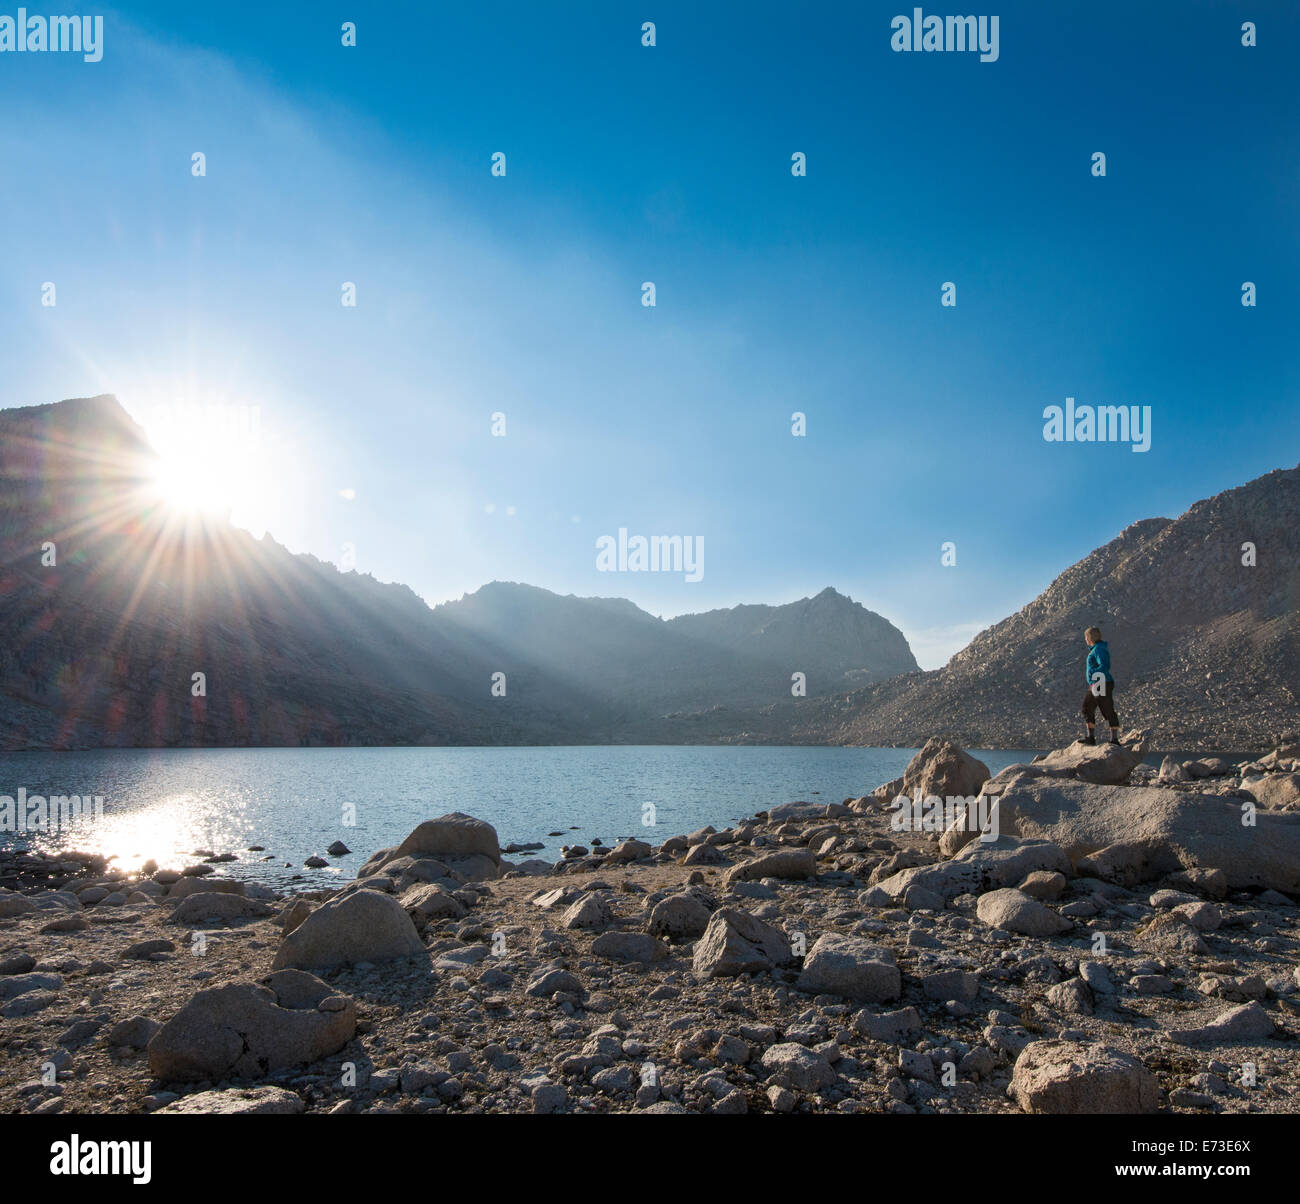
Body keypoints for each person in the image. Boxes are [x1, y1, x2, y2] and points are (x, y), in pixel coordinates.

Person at [1081, 626, 1119, 744]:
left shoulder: (1099, 649)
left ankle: (1114, 739)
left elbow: (1104, 665)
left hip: (1101, 682)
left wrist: (1093, 673)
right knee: (1087, 707)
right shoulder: (1096, 649)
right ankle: (1091, 737)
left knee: (1107, 709)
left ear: (1090, 637)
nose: (1085, 640)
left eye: (1086, 637)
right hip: (1095, 683)